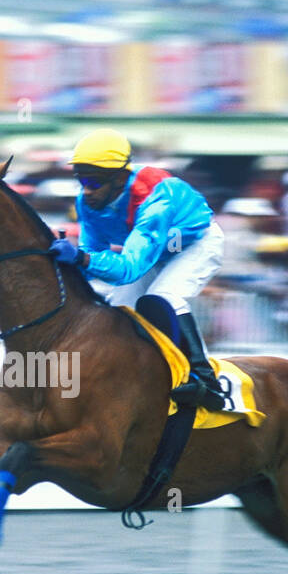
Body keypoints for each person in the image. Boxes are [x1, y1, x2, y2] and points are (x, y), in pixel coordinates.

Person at [48, 128, 230, 410]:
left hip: (195, 244)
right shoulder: (87, 203)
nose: (86, 190)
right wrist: (69, 266)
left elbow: (128, 269)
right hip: (154, 251)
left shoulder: (155, 198)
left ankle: (206, 380)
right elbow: (93, 257)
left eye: (94, 182)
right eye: (80, 179)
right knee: (119, 307)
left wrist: (81, 259)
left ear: (120, 177)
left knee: (162, 298)